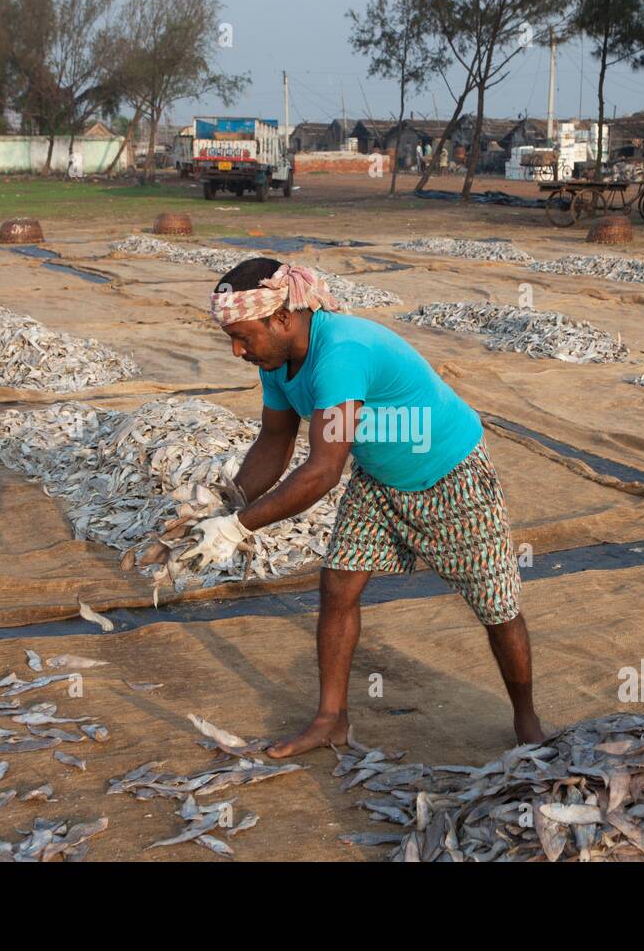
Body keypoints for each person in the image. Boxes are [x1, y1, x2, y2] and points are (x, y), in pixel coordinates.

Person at [182, 257, 543, 757]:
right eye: (232, 339)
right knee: (339, 585)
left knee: (496, 608)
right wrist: (228, 502)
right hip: (379, 476)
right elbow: (274, 440)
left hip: (449, 474)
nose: (237, 350)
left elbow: (323, 470)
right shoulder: (277, 361)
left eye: (244, 336)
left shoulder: (341, 353)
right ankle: (331, 720)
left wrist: (238, 528)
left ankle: (527, 721)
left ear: (282, 319)